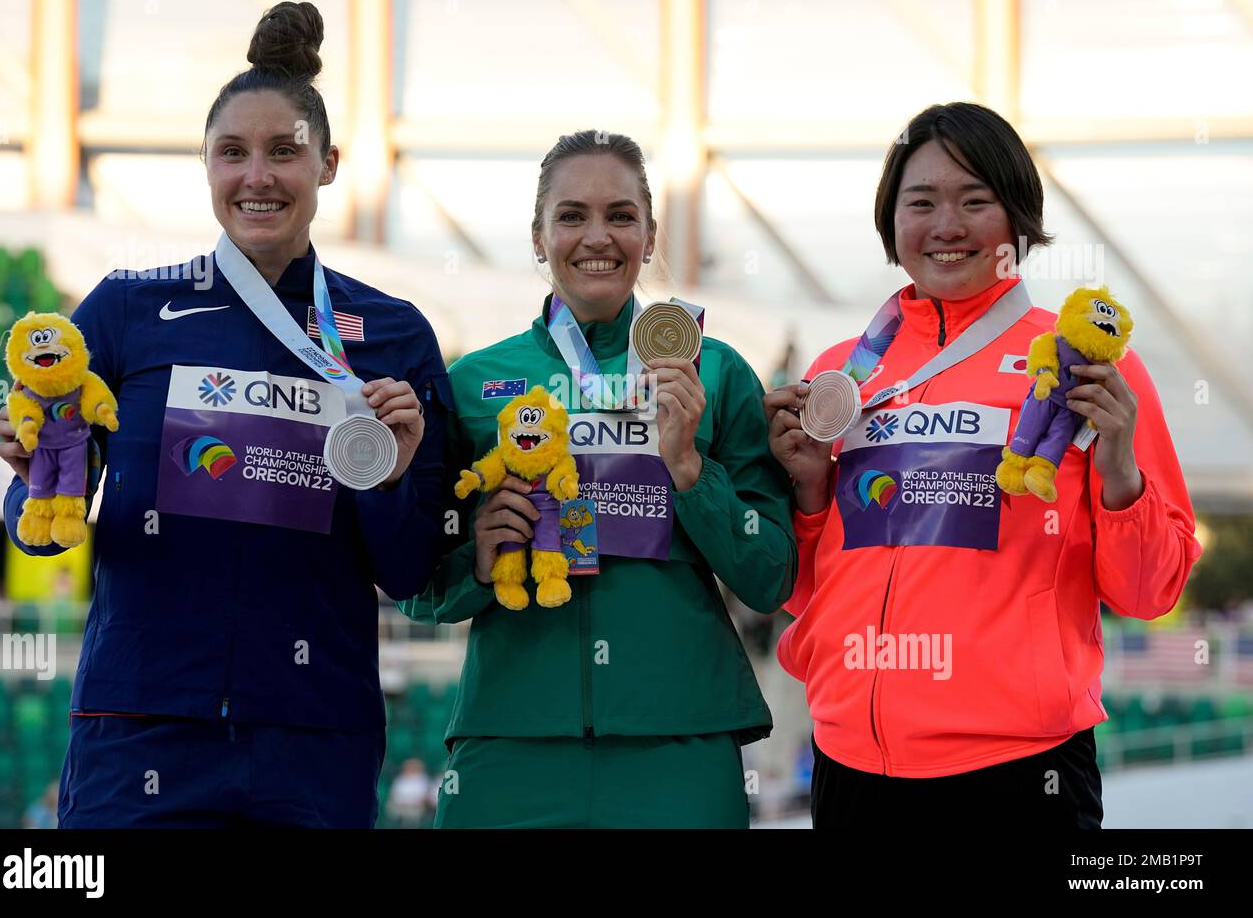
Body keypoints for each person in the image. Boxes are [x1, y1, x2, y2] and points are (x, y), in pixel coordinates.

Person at [0, 1, 451, 828]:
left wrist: (387, 477)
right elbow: (38, 528)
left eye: (285, 151)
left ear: (330, 164)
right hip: (140, 723)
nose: (258, 176)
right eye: (232, 153)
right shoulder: (127, 310)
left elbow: (412, 571)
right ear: (205, 167)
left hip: (314, 731)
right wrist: (34, 485)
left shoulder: (393, 335)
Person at [764, 102, 1202, 828]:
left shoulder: (1080, 369)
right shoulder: (840, 375)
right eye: (922, 202)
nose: (948, 225)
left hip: (1018, 775)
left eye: (976, 201)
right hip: (851, 766)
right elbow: (809, 591)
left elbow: (1150, 593)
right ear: (890, 219)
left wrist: (1122, 473)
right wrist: (808, 497)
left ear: (1018, 219)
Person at [399, 130, 798, 828]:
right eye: (572, 215)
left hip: (679, 744)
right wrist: (480, 559)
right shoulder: (470, 384)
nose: (597, 237)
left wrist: (689, 472)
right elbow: (419, 586)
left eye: (620, 216)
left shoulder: (717, 373)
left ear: (650, 236)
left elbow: (770, 577)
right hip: (511, 741)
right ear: (537, 235)